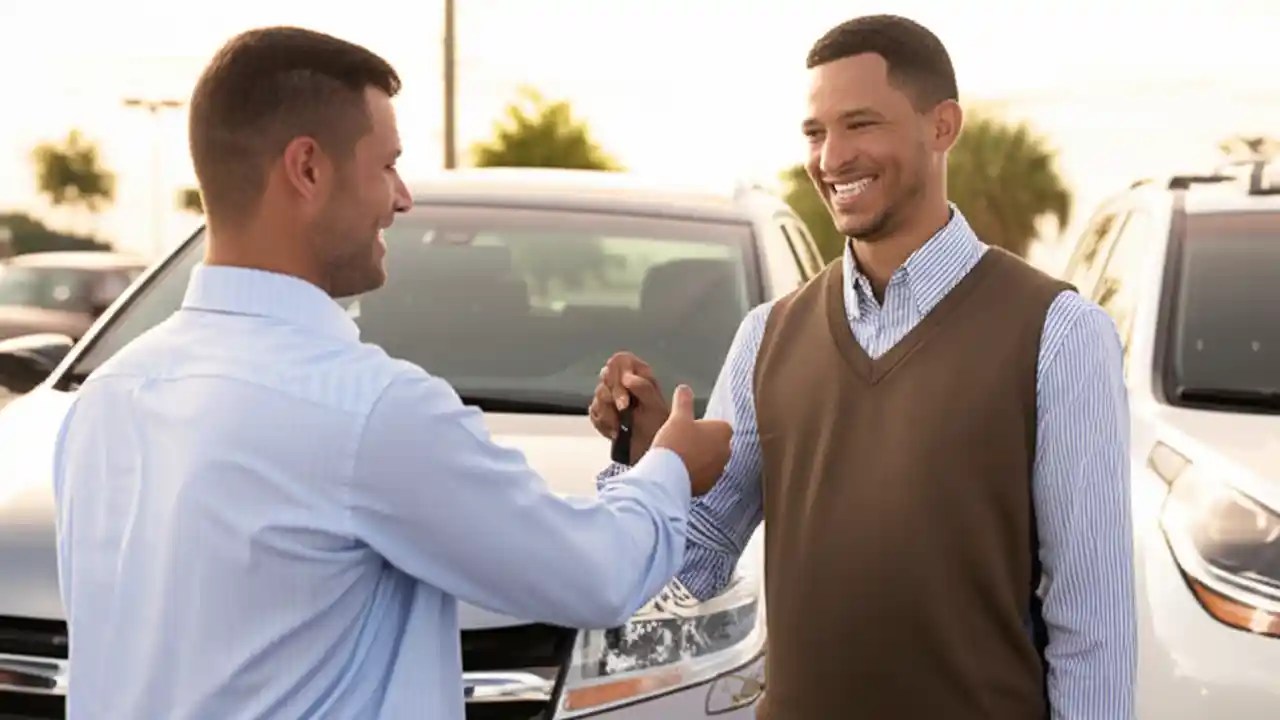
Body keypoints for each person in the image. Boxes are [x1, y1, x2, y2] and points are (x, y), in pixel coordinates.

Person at [50, 26, 732, 720]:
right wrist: (671, 464)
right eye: (388, 166)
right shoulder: (367, 411)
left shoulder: (106, 398)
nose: (402, 198)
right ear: (308, 169)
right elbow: (597, 572)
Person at [589, 14, 1137, 720]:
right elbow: (692, 565)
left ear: (942, 127)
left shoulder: (1059, 335)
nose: (832, 157)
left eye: (860, 125)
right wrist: (649, 458)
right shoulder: (767, 336)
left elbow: (1093, 626)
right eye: (815, 133)